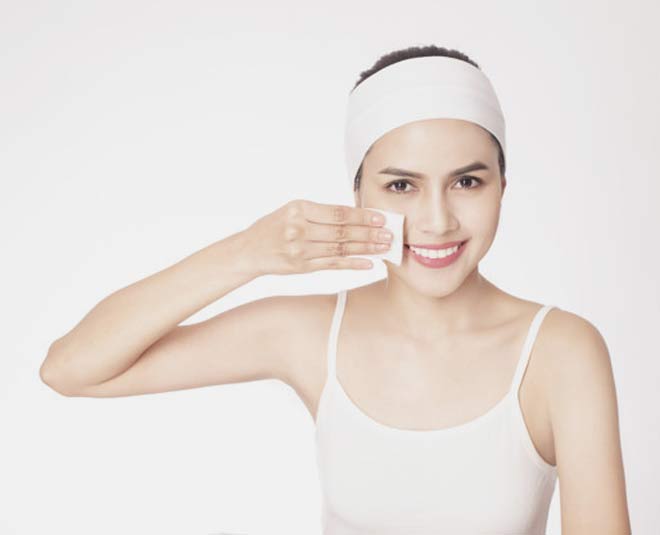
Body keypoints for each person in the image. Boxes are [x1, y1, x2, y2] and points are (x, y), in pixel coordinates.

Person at [39, 45, 631, 534]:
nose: (436, 221)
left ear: (502, 185)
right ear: (358, 195)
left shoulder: (560, 351)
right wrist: (247, 253)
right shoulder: (309, 334)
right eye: (401, 186)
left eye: (467, 182)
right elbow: (71, 369)